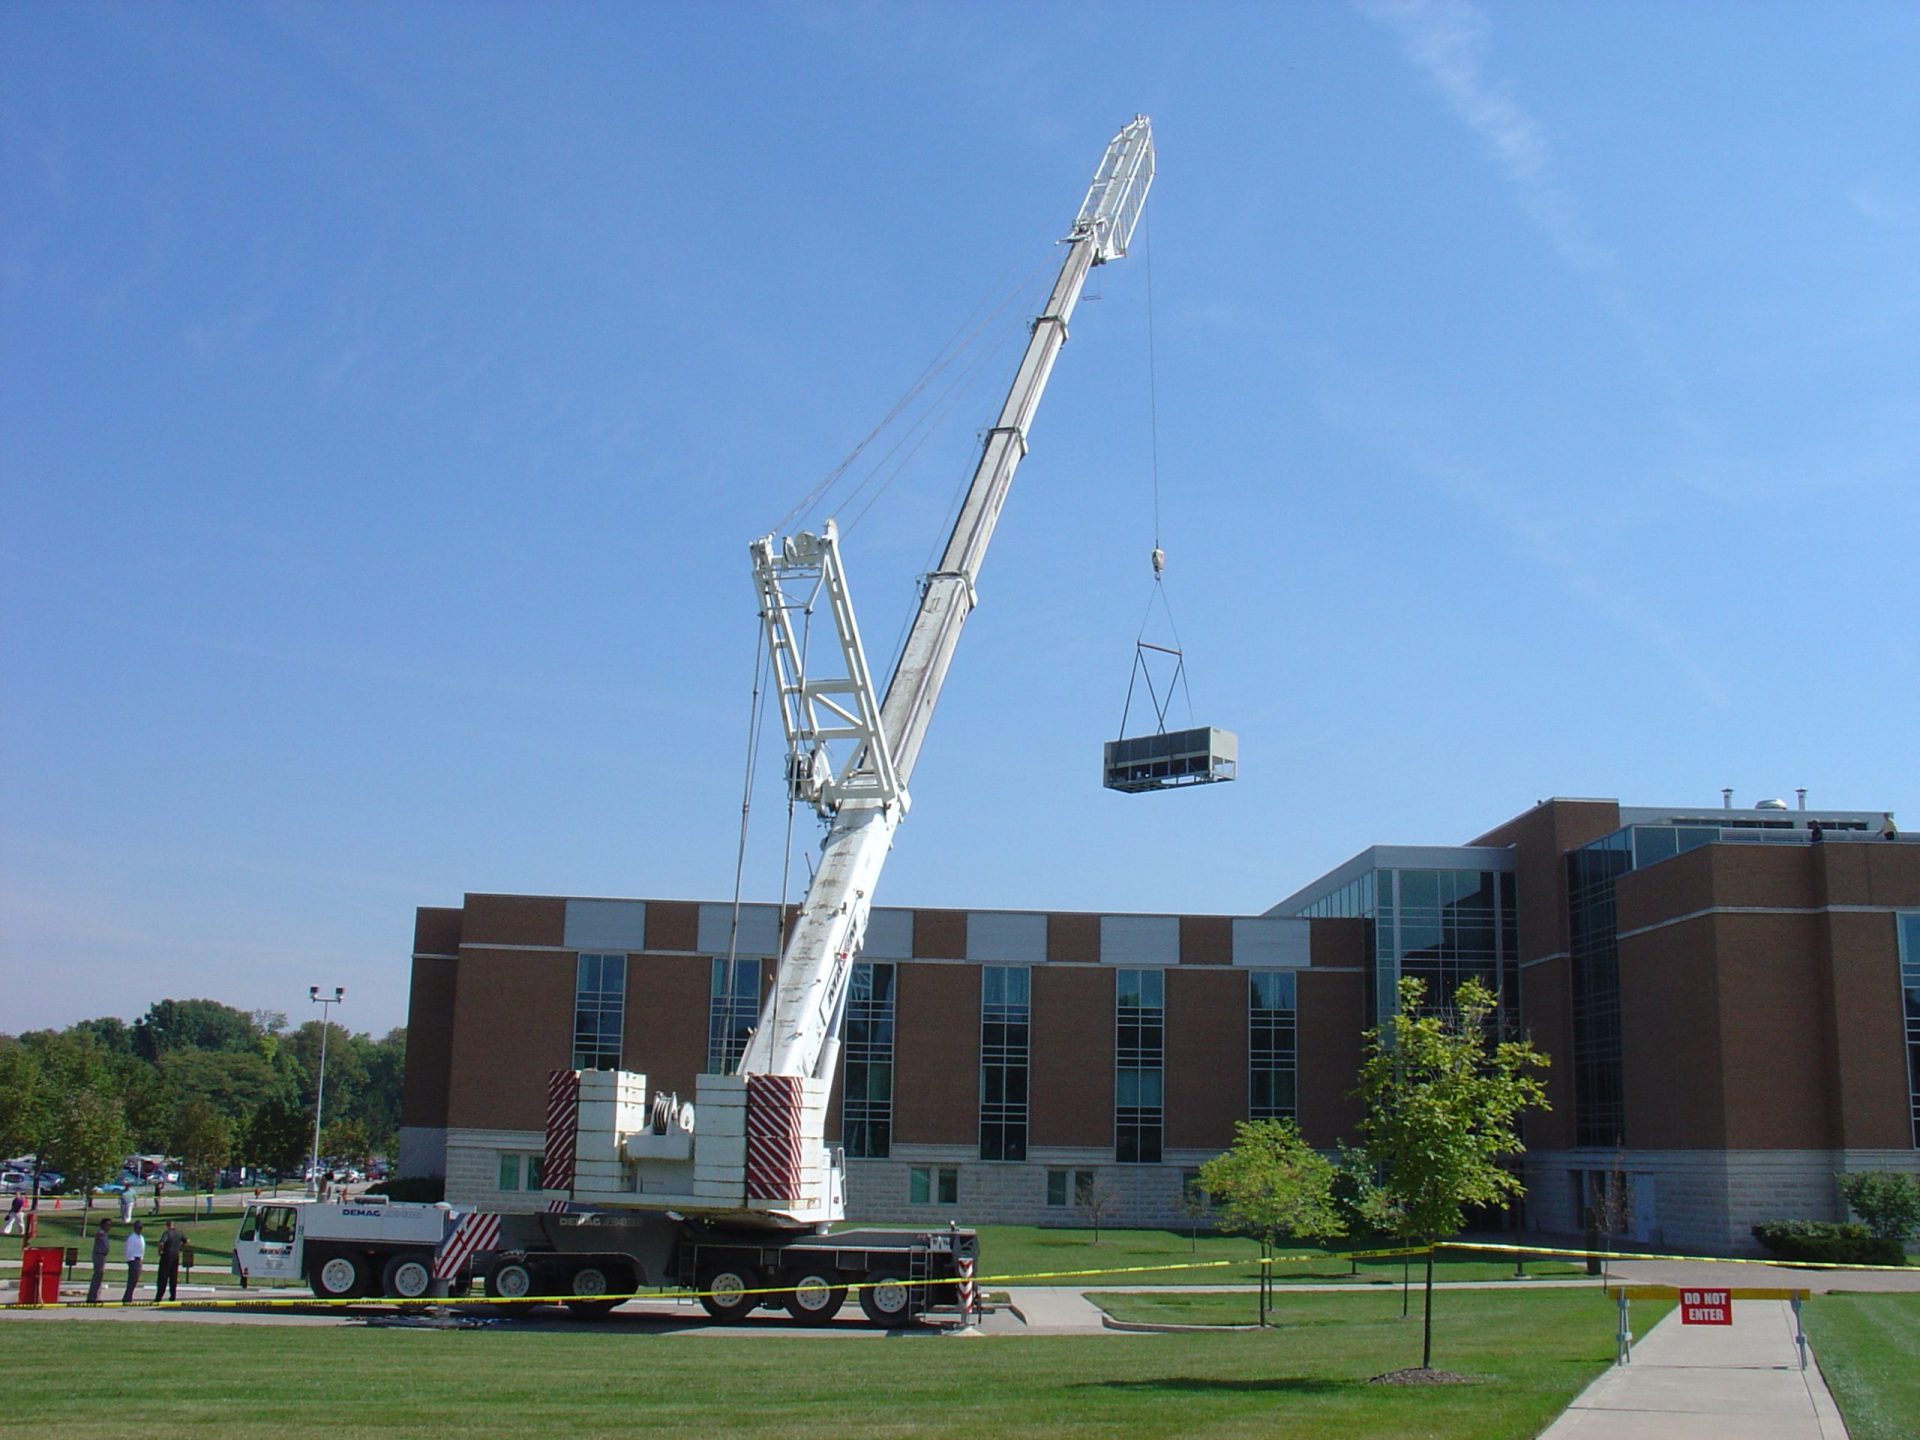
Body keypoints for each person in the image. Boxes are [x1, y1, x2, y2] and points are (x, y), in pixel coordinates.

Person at [155, 1218, 186, 1303]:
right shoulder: (179, 1233)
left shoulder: (167, 1233)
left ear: (167, 1225)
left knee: (163, 1278)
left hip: (166, 1256)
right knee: (173, 1277)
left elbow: (161, 1243)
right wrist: (180, 1249)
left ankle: (158, 1297)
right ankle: (173, 1296)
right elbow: (187, 1241)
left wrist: (160, 1251)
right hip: (176, 1256)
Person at [87, 1219, 112, 1303]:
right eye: (108, 1224)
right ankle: (92, 1297)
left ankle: (96, 1297)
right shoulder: (100, 1233)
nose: (109, 1226)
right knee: (97, 1276)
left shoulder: (105, 1234)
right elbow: (97, 1235)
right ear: (103, 1225)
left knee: (100, 1277)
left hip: (102, 1256)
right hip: (99, 1255)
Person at [121, 1220, 146, 1304]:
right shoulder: (132, 1238)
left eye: (140, 1228)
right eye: (138, 1228)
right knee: (132, 1279)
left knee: (135, 1280)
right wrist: (131, 1260)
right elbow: (128, 1250)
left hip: (139, 1259)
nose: (139, 1229)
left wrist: (141, 1259)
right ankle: (127, 1297)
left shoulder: (141, 1237)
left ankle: (129, 1296)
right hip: (133, 1259)